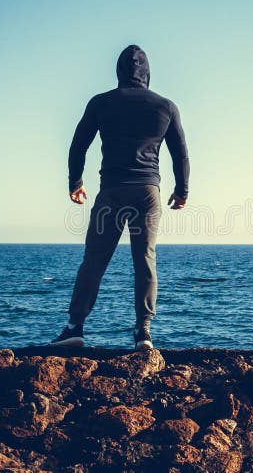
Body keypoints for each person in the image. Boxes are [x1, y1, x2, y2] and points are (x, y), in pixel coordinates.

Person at [51, 45, 190, 350]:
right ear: (147, 73)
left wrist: (75, 181)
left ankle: (75, 328)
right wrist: (182, 190)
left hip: (112, 193)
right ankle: (144, 332)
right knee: (145, 260)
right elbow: (179, 153)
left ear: (118, 71)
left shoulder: (101, 103)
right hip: (147, 193)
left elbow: (78, 145)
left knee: (94, 260)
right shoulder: (165, 106)